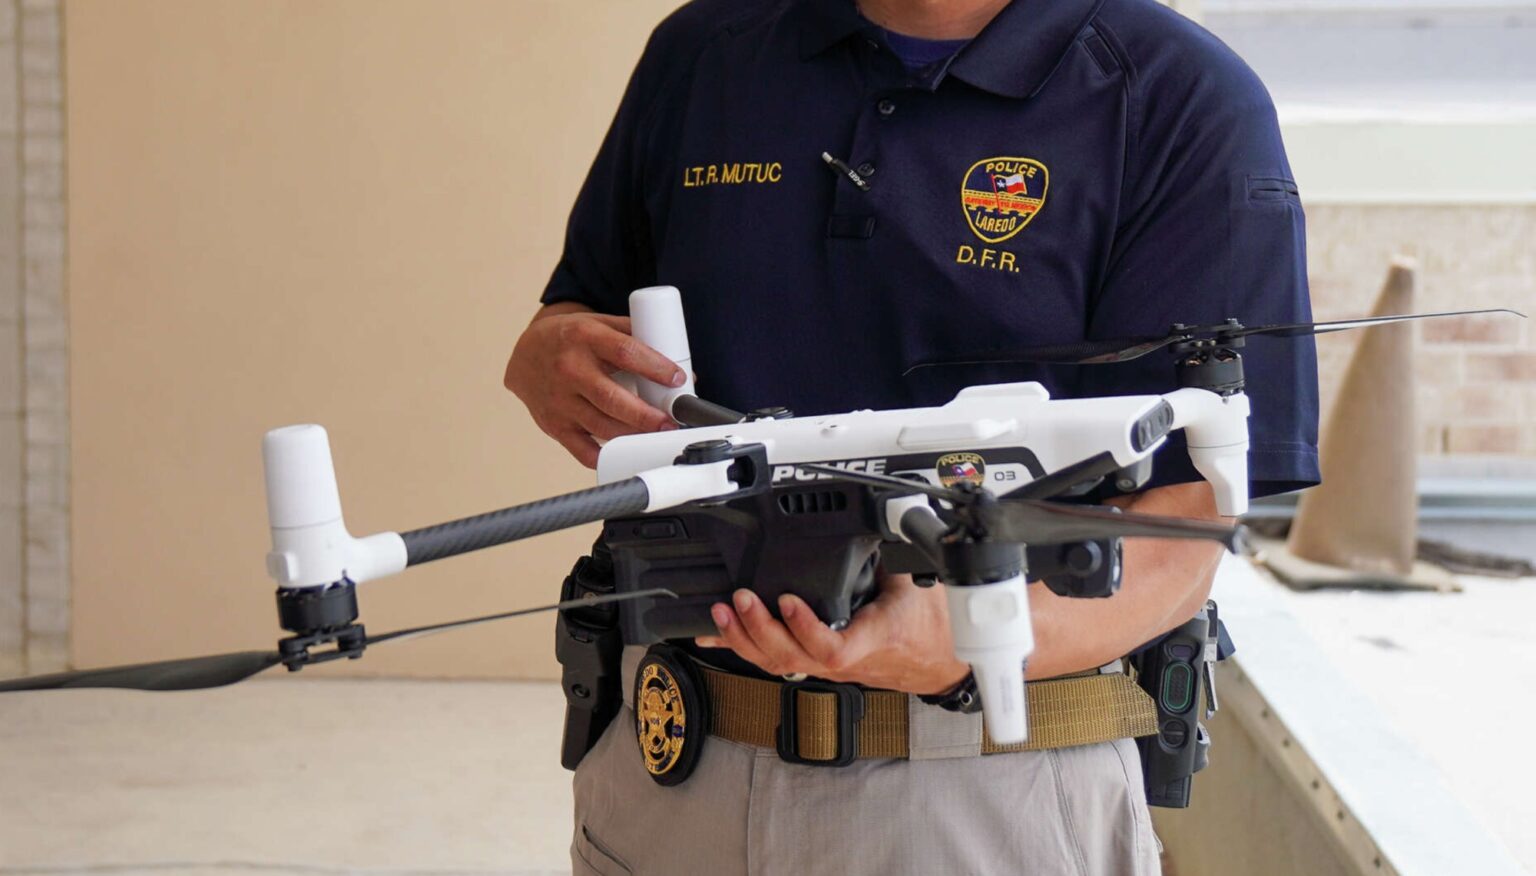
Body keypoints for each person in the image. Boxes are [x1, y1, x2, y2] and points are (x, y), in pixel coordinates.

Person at [505, 0, 1319, 872]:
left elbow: (1187, 528)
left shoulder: (1181, 96)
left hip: (985, 783)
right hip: (673, 767)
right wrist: (548, 353)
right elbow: (582, 312)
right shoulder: (704, 51)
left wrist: (955, 644)